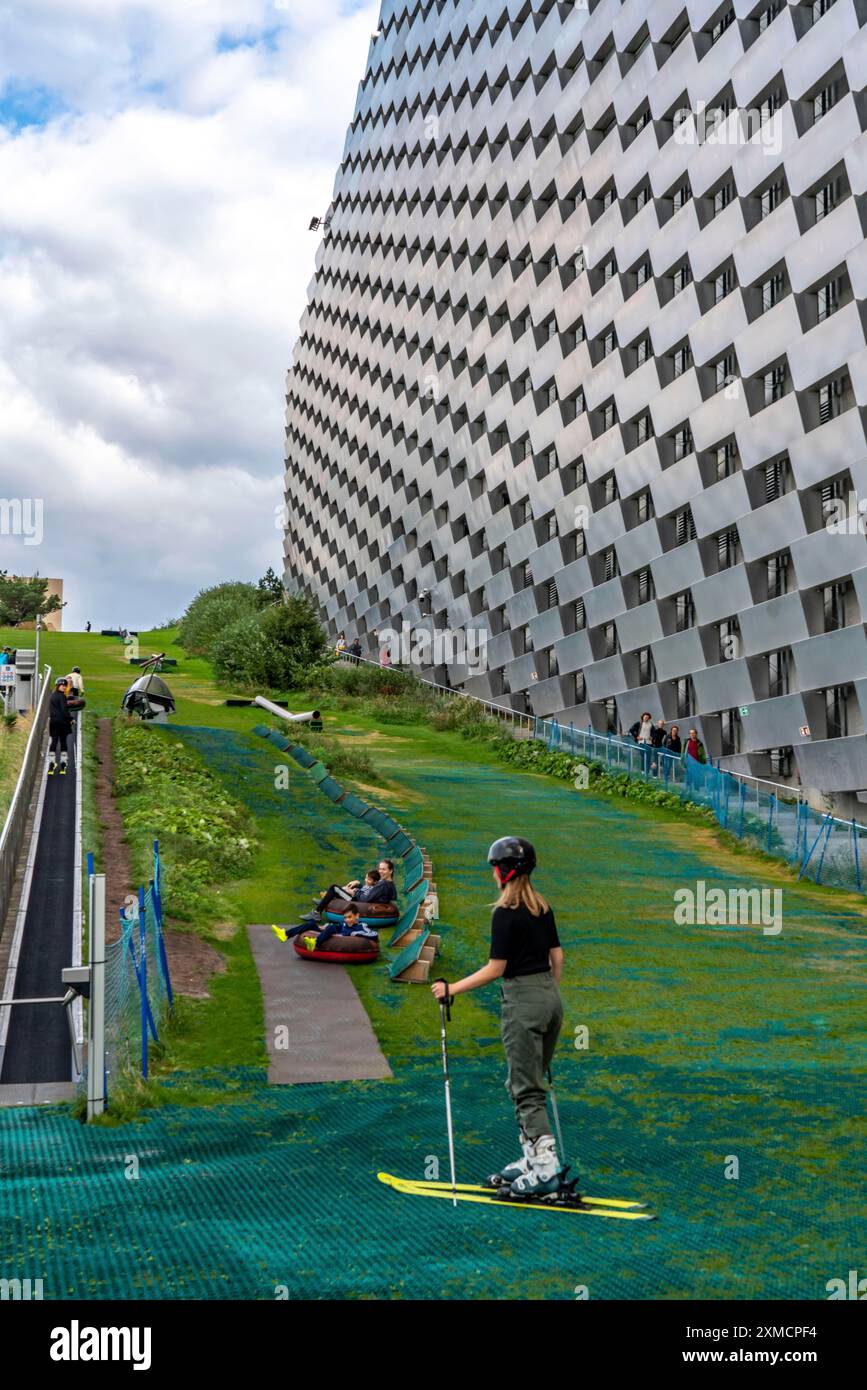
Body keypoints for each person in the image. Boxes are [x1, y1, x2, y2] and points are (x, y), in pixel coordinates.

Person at [431, 836, 565, 1200]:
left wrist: (451, 989)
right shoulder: (543, 908)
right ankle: (532, 1158)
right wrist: (546, 994)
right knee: (530, 1081)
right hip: (551, 1000)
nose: (493, 873)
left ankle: (546, 1170)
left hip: (522, 1002)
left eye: (494, 867)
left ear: (504, 872)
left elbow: (496, 969)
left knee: (526, 1088)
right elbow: (558, 958)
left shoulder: (504, 914)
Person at [272, 903, 377, 951]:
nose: (347, 920)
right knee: (311, 923)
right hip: (329, 933)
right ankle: (285, 934)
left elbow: (374, 935)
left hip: (339, 938)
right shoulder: (344, 924)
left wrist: (355, 933)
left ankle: (315, 944)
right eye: (345, 918)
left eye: (349, 917)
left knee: (331, 929)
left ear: (357, 916)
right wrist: (324, 926)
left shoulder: (362, 926)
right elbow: (337, 926)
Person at [48, 677, 74, 776]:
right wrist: (71, 719)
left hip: (53, 722)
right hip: (62, 723)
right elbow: (64, 711)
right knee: (63, 742)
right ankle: (63, 763)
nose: (64, 687)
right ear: (58, 686)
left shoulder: (52, 696)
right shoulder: (62, 696)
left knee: (54, 742)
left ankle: (51, 763)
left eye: (65, 686)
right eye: (62, 685)